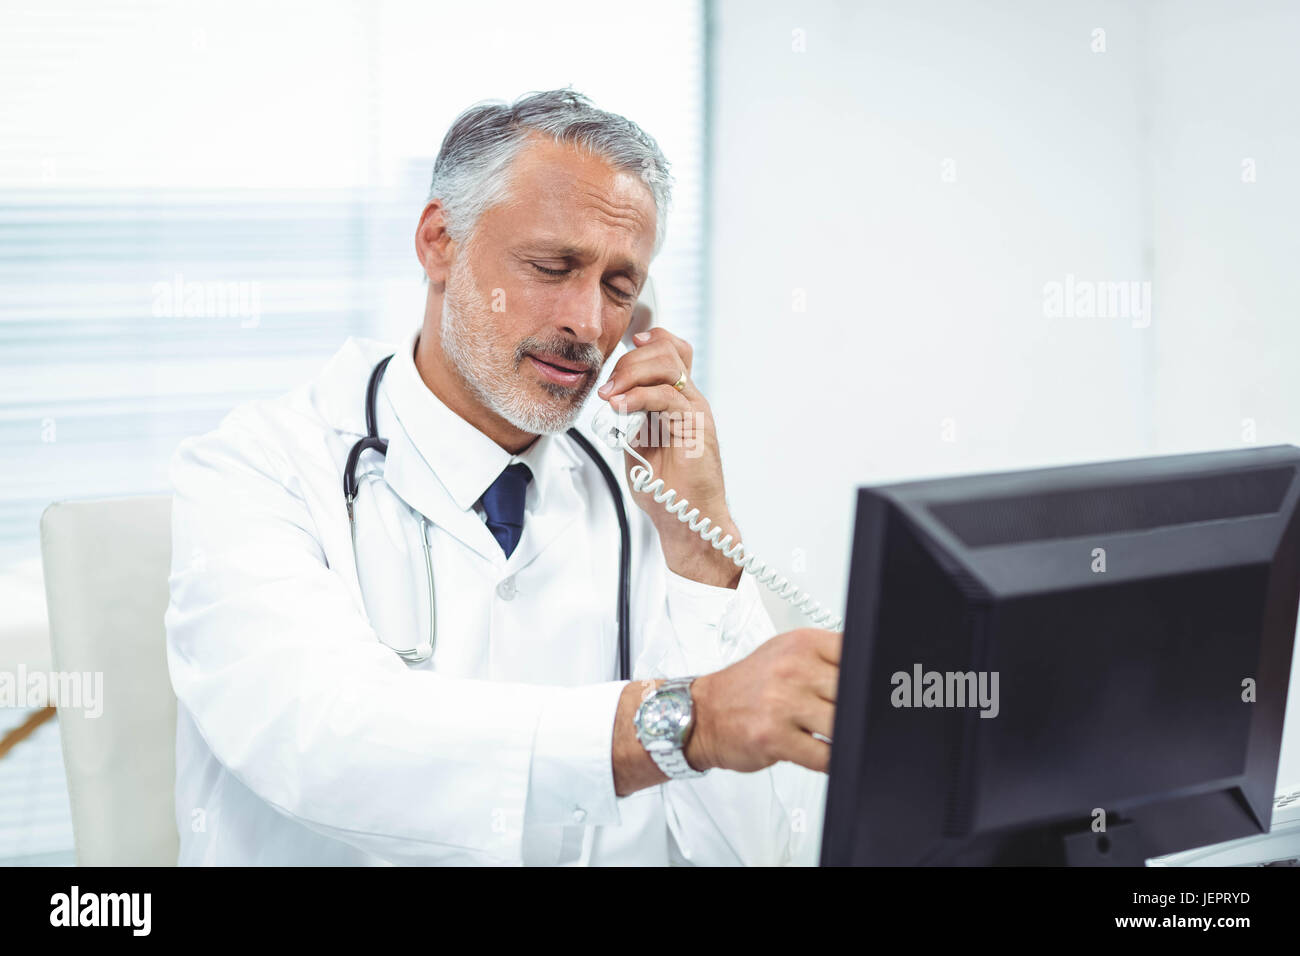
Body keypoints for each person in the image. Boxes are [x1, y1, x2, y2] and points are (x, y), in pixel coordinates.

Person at [165, 88, 841, 866]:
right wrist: (686, 721)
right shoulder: (254, 470)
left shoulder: (649, 494)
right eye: (553, 266)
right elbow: (317, 740)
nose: (587, 324)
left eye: (620, 288)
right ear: (439, 242)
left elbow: (750, 852)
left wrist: (701, 552)